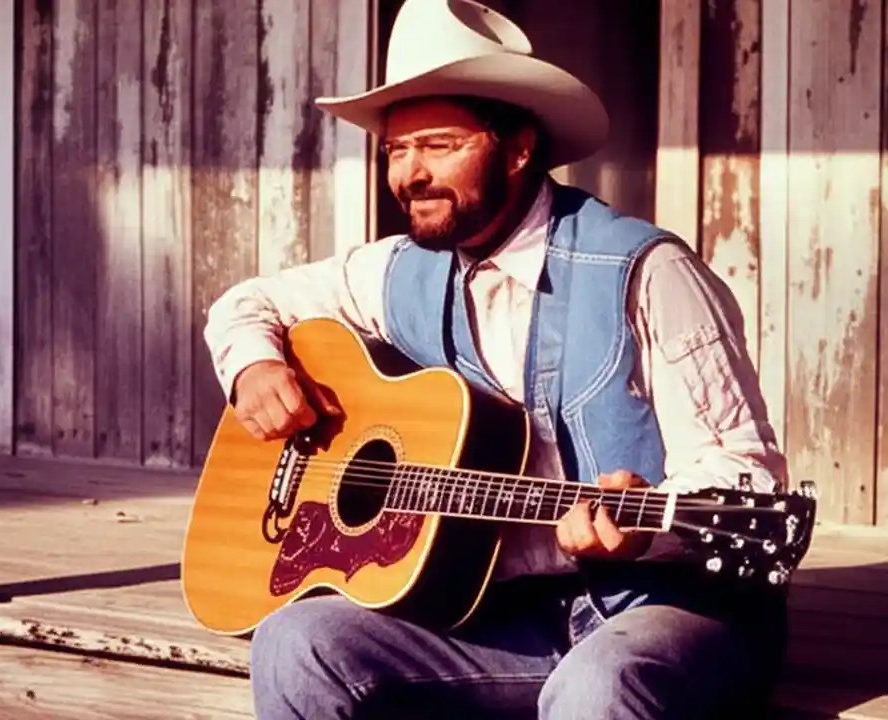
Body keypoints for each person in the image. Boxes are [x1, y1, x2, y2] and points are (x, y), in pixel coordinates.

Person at [203, 0, 790, 717]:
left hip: (664, 611)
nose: (408, 174)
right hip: (493, 615)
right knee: (297, 641)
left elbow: (747, 479)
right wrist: (254, 368)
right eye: (396, 149)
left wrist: (645, 531)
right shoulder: (396, 273)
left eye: (439, 145)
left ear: (516, 149)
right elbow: (247, 303)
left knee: (596, 686)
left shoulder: (645, 271)